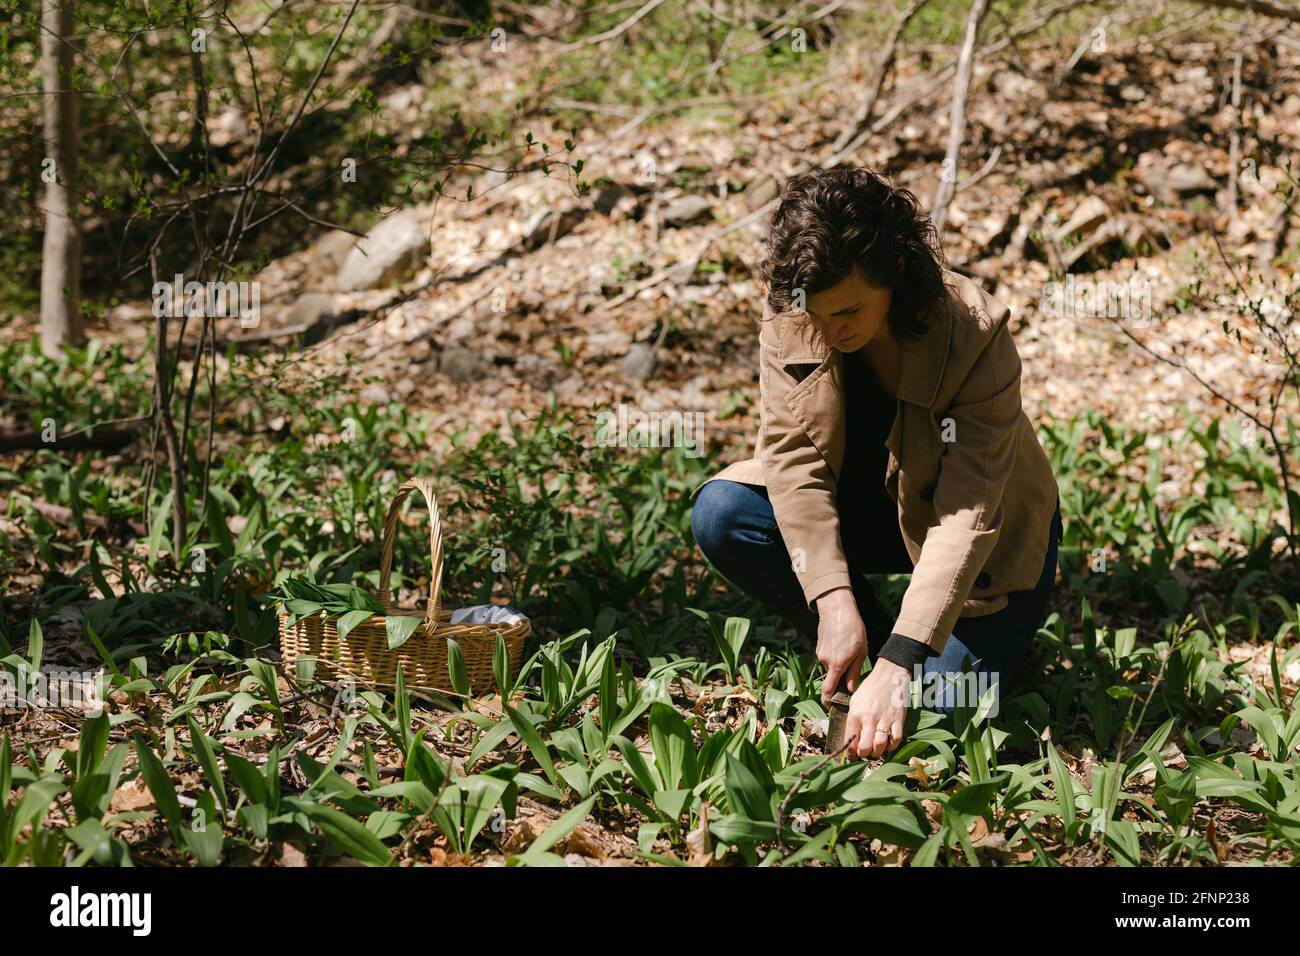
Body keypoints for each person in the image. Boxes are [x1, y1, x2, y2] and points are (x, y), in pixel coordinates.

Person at [690, 166, 1062, 760]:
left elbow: (966, 517)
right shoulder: (798, 306)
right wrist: (834, 601)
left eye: (851, 312)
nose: (831, 331)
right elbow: (791, 460)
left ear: (893, 275)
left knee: (936, 719)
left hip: (986, 543)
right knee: (726, 512)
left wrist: (900, 662)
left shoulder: (975, 335)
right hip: (874, 508)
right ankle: (873, 640)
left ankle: (939, 649)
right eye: (819, 315)